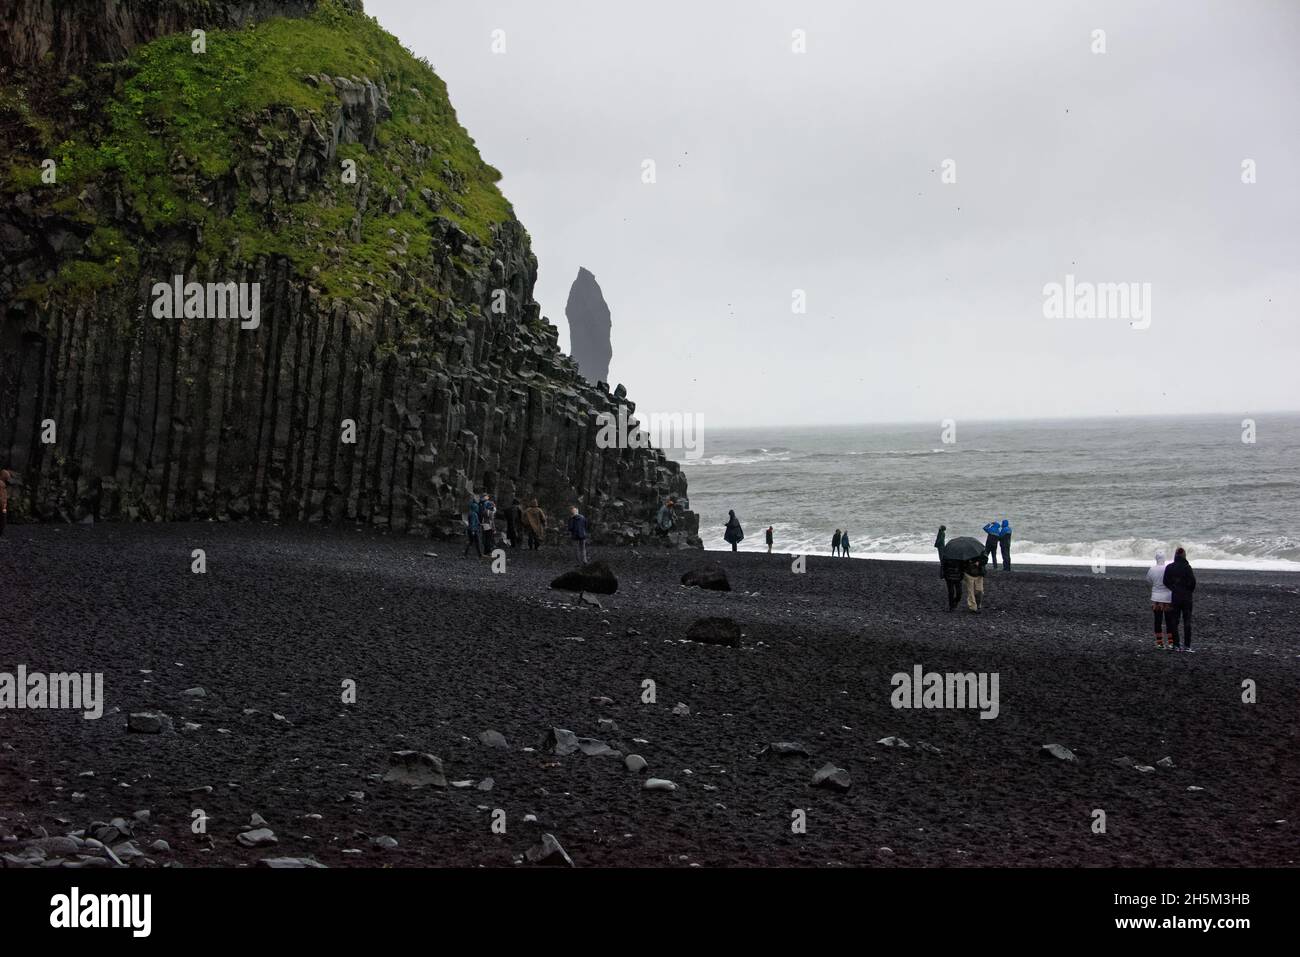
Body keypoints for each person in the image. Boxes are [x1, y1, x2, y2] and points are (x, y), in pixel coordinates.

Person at [1162, 547, 1196, 652]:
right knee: (1187, 621)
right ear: (1184, 555)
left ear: (1175, 555)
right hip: (1186, 597)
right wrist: (1188, 591)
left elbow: (1165, 581)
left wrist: (1173, 588)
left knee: (1174, 622)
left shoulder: (1170, 567)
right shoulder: (1187, 567)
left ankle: (1176, 645)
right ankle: (1187, 646)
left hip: (1175, 596)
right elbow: (1193, 582)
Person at [1146, 550, 1173, 650]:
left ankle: (1159, 643)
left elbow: (1148, 580)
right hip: (1167, 597)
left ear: (1156, 559)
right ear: (1164, 558)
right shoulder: (1168, 568)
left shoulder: (1152, 569)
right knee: (1169, 620)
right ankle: (1170, 643)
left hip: (1156, 597)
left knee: (1157, 621)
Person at [0, 469, 9, 537]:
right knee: (3, 521)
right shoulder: (1, 484)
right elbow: (2, 497)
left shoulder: (2, 483)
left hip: (2, 505)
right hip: (1, 506)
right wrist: (3, 507)